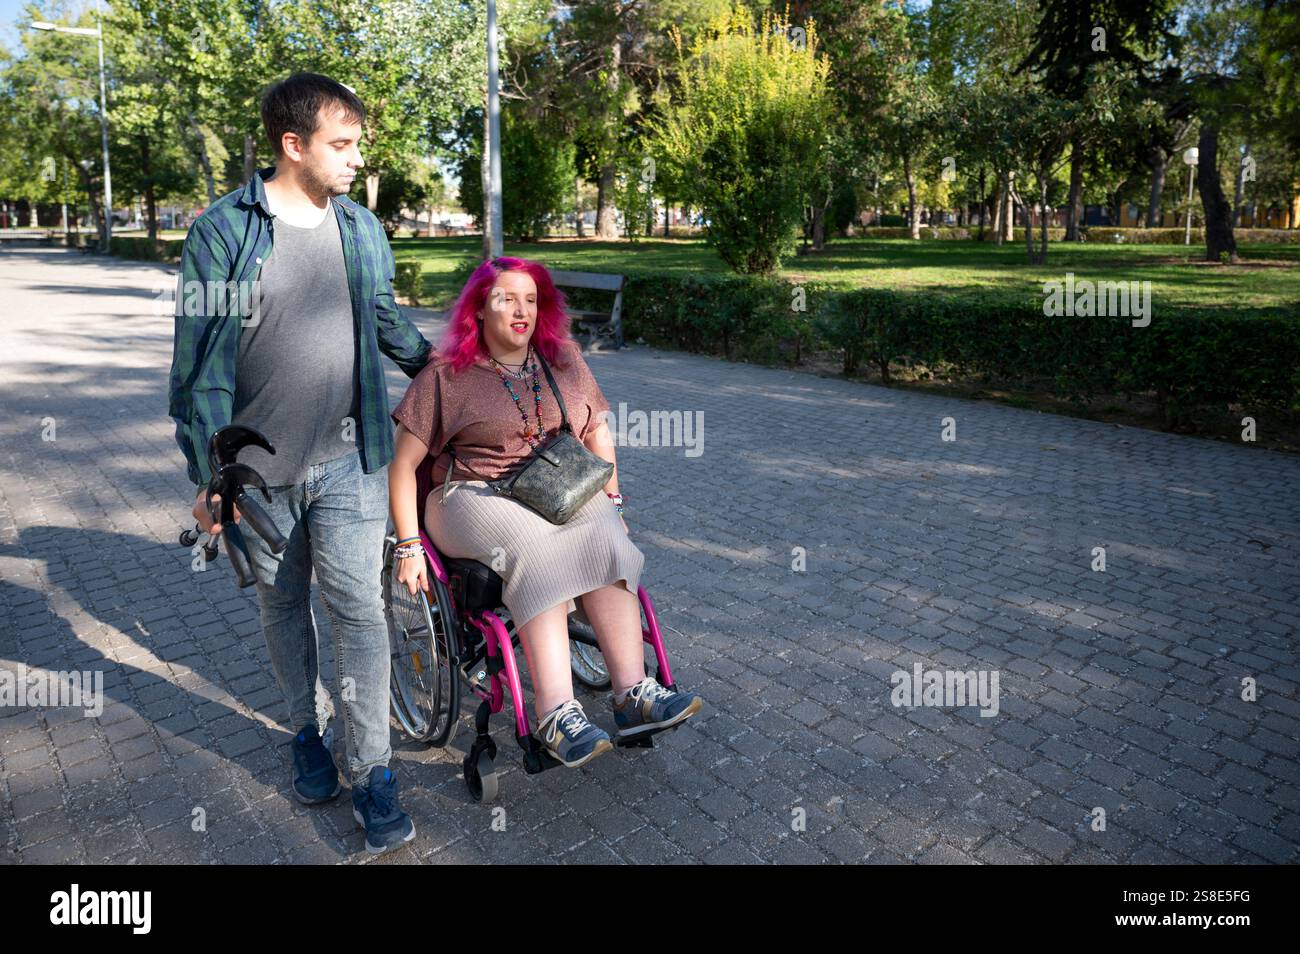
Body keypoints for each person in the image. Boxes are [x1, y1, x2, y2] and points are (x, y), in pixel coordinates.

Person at [167, 72, 432, 854]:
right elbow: (198, 368)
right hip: (258, 475)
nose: (354, 160)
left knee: (359, 611)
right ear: (294, 145)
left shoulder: (360, 228)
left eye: (356, 145)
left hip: (352, 461)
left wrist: (446, 375)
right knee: (283, 609)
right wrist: (211, 477)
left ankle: (375, 772)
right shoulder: (222, 232)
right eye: (341, 146)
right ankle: (303, 733)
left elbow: (384, 318)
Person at [387, 256, 703, 768]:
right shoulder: (446, 377)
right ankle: (556, 714)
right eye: (507, 298)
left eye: (531, 299)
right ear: (479, 309)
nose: (521, 310)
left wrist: (614, 501)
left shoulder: (561, 358)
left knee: (603, 531)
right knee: (536, 545)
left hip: (549, 484)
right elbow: (402, 467)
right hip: (467, 493)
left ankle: (633, 694)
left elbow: (596, 430)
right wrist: (408, 544)